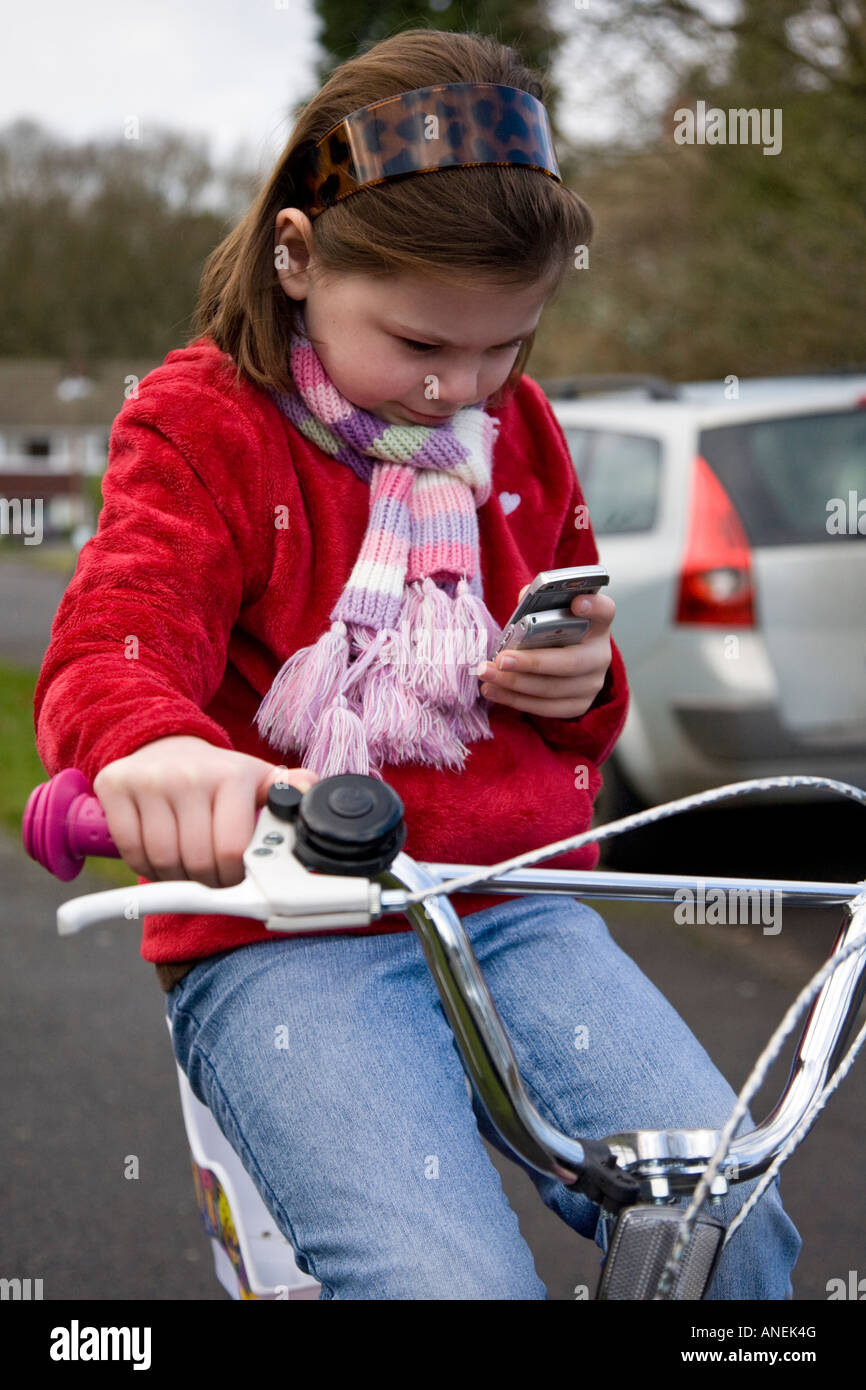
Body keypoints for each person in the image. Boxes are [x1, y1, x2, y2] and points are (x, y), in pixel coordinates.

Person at [33, 28, 801, 1300]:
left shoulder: (524, 432)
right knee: (442, 1282)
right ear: (295, 259)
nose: (461, 390)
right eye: (419, 343)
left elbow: (577, 700)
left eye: (505, 346)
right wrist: (151, 748)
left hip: (510, 897)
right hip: (282, 925)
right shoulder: (201, 423)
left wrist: (579, 682)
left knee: (724, 1226)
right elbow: (114, 642)